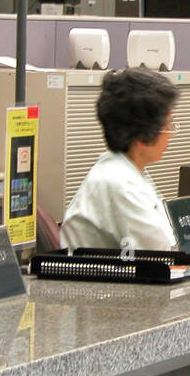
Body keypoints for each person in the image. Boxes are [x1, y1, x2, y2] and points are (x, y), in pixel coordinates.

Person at [62, 69, 179, 251]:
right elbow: (160, 250)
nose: (171, 134)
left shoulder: (126, 170)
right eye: (166, 125)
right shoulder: (119, 183)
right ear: (141, 135)